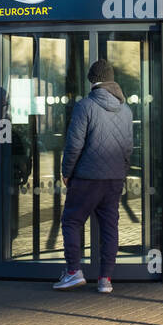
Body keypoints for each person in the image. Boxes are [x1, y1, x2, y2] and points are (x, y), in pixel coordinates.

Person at [53, 60, 134, 294]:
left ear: (92, 80)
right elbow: (128, 147)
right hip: (114, 179)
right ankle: (105, 280)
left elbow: (74, 144)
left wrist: (66, 172)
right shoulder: (126, 110)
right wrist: (122, 171)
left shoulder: (85, 106)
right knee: (110, 227)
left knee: (71, 221)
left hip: (87, 178)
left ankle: (73, 272)